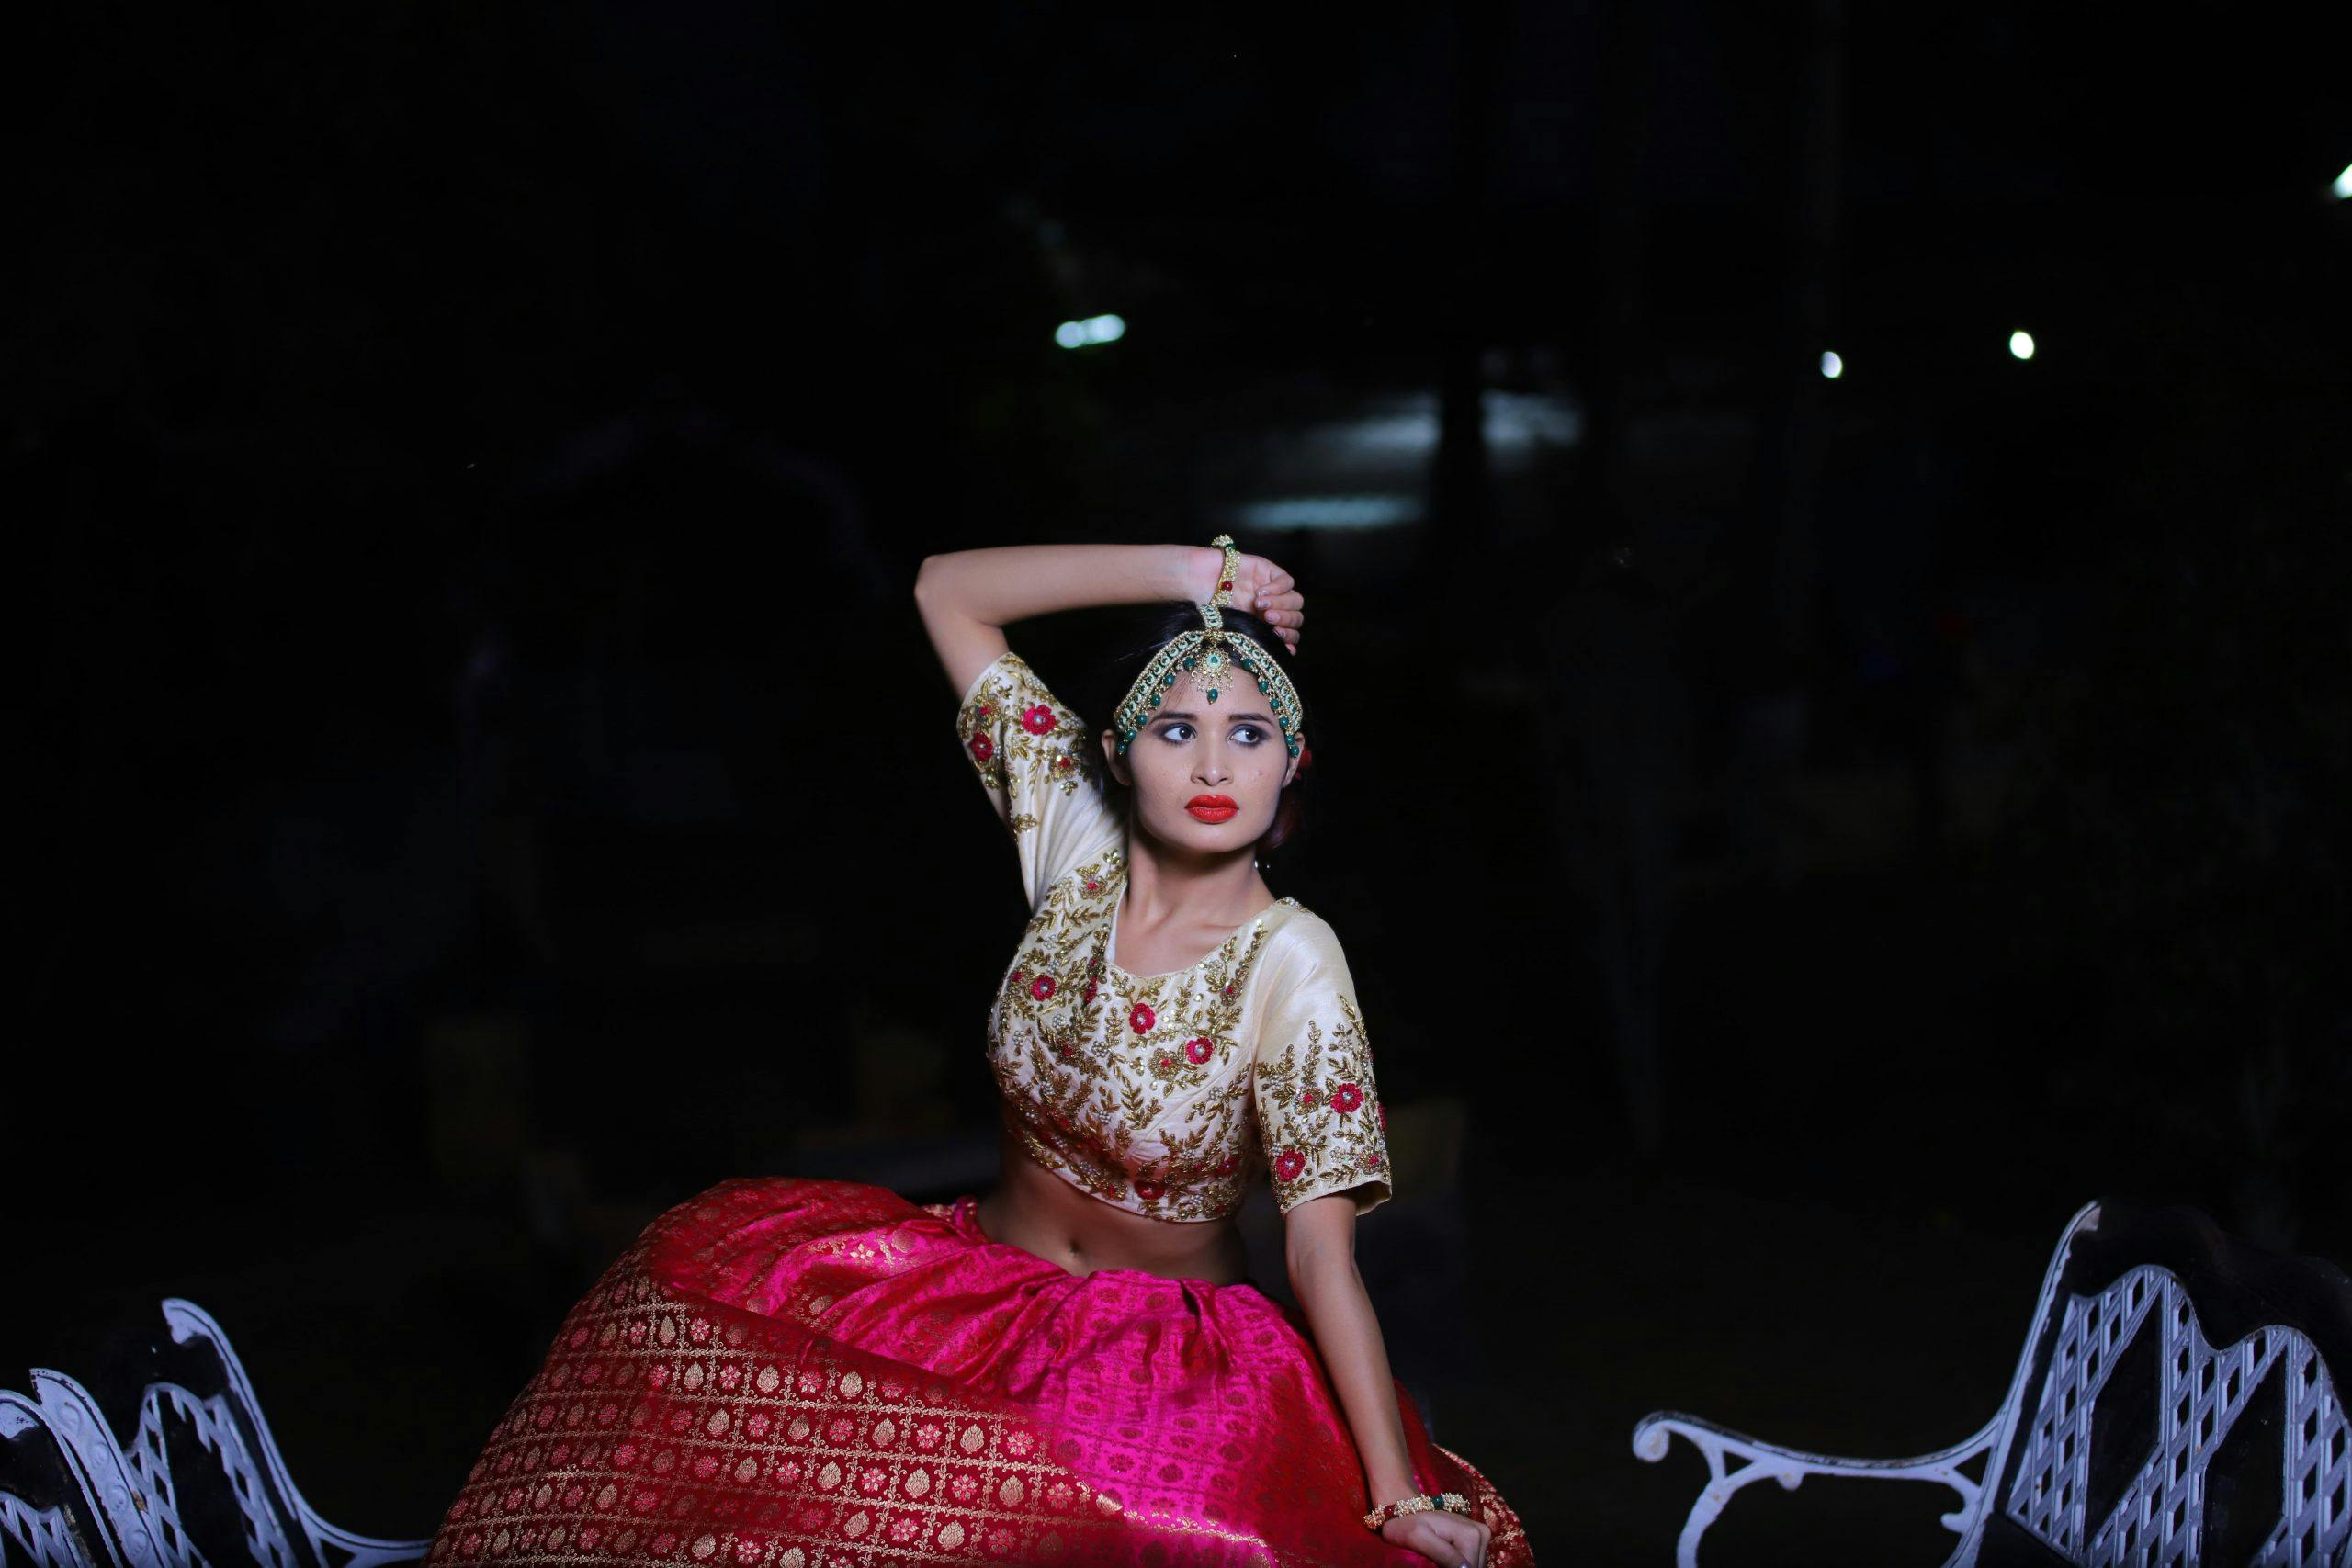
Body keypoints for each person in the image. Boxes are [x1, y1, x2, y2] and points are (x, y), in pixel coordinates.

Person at [426, 537, 1533, 1567]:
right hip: (975, 1302)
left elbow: (1321, 1257)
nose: (1212, 763)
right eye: (1174, 729)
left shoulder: (1293, 959)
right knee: (688, 1295)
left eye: (1249, 733)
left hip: (1161, 1370)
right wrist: (1197, 573)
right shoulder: (1074, 840)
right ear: (1116, 753)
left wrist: (1397, 1496)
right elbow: (946, 592)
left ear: (1292, 764)